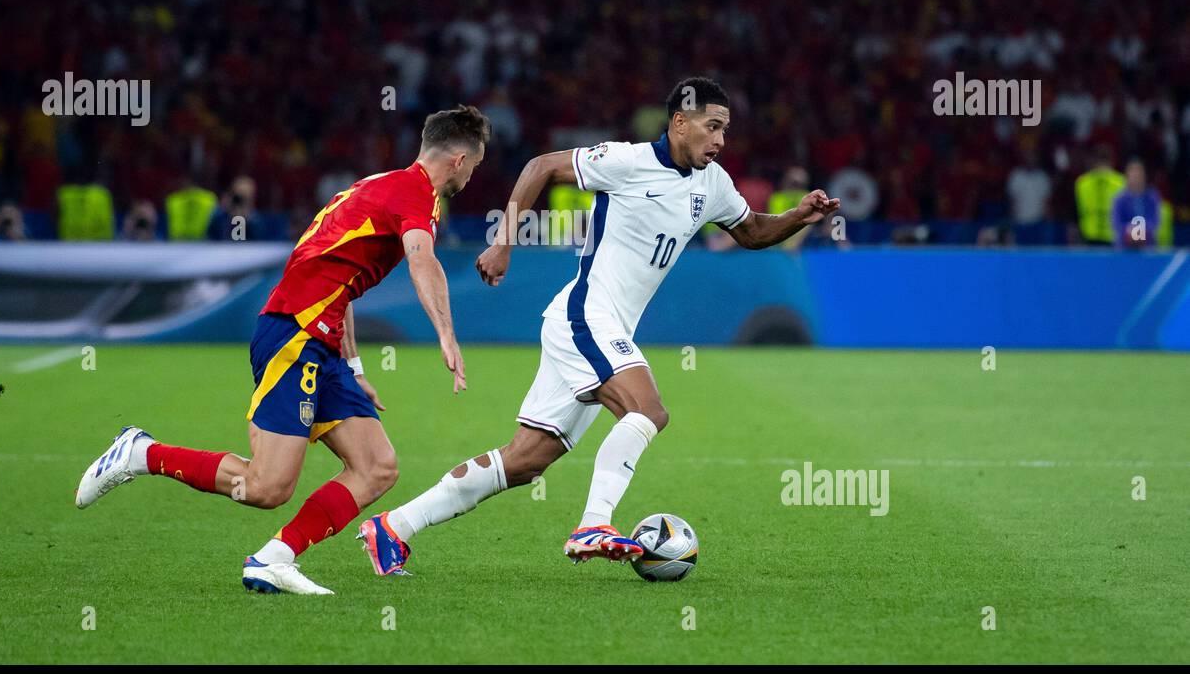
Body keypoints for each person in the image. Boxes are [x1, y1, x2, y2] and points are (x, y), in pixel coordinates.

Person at [359, 78, 838, 575]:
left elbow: (754, 231)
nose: (720, 140)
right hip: (586, 315)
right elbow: (541, 166)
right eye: (712, 127)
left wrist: (798, 217)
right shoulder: (627, 161)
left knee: (526, 459)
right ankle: (593, 523)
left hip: (603, 327)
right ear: (679, 123)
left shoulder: (712, 183)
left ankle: (393, 527)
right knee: (649, 410)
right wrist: (504, 242)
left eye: (725, 130)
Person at [73, 106, 491, 595]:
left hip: (323, 342)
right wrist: (446, 333)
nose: (473, 174)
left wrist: (353, 366)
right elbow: (424, 261)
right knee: (267, 487)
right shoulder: (414, 195)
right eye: (476, 166)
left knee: (376, 467)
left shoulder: (378, 185)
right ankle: (143, 453)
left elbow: (340, 280)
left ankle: (274, 559)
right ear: (460, 160)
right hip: (293, 334)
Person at [1111, 158, 1161, 249]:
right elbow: (1116, 223)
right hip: (1124, 247)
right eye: (1133, 173)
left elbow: (1155, 221)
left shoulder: (1152, 197)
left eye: (1139, 174)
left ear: (1144, 176)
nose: (1136, 176)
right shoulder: (1119, 199)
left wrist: (1142, 230)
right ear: (1127, 176)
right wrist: (1129, 230)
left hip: (1148, 246)